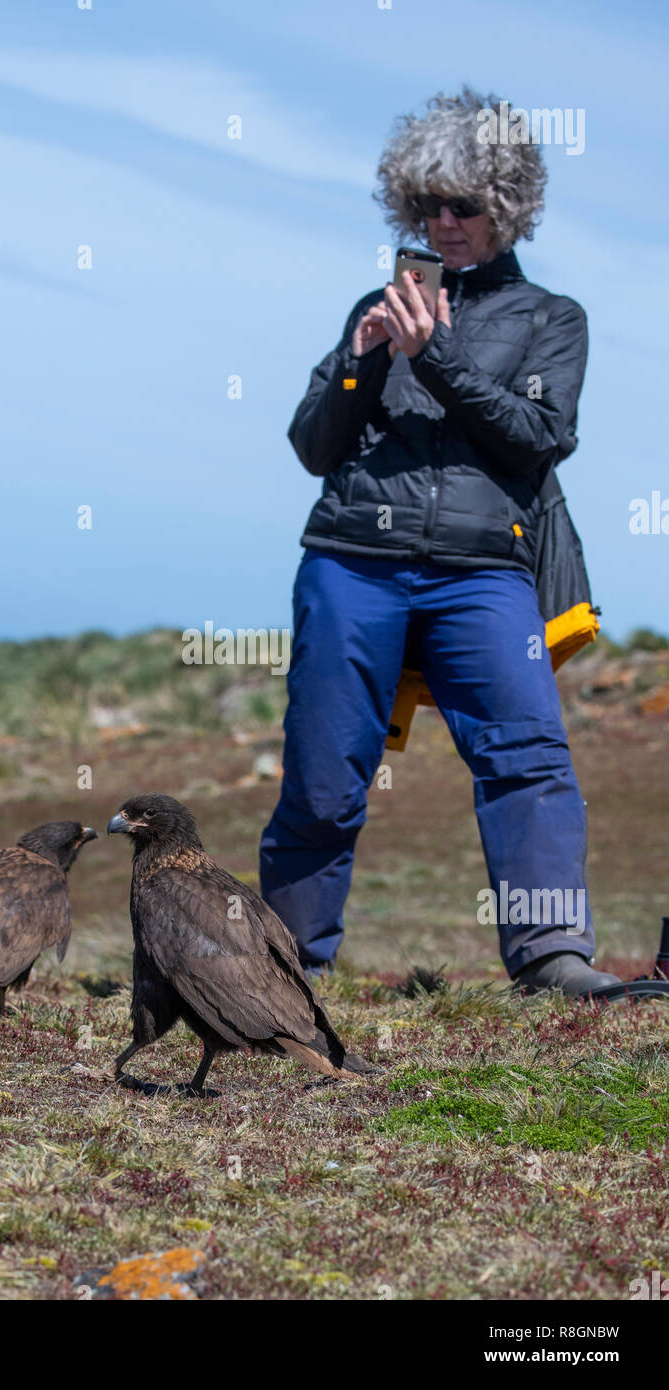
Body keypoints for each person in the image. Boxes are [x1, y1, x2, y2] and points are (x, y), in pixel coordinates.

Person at [259, 88, 619, 998]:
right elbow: (312, 447)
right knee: (322, 768)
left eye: (465, 206)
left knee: (527, 755)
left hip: (482, 573)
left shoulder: (552, 318)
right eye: (428, 207)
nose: (445, 223)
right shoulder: (372, 309)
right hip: (350, 561)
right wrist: (365, 360)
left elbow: (537, 439)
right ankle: (286, 967)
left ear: (508, 209)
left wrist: (438, 356)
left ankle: (551, 961)